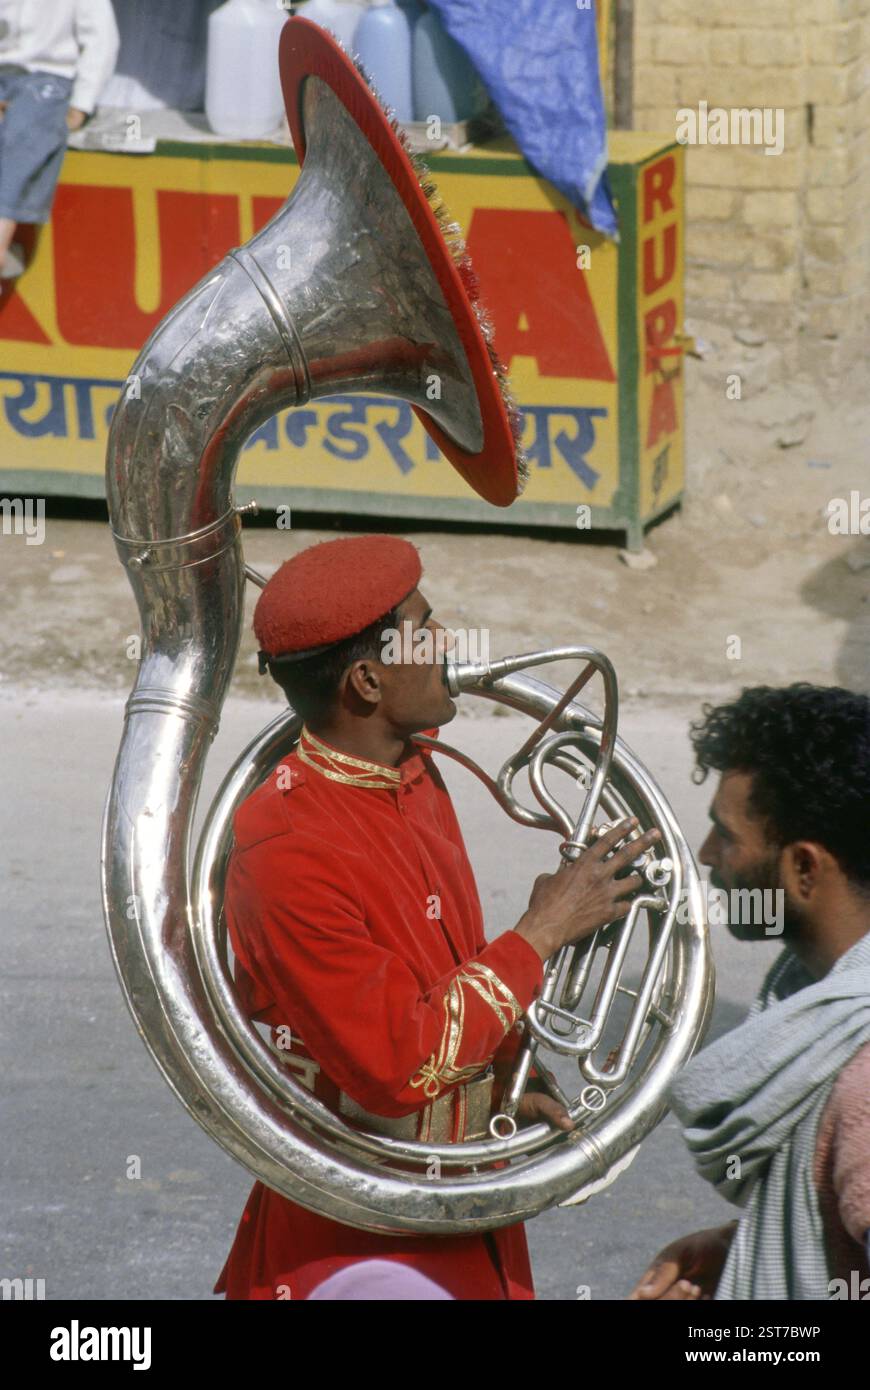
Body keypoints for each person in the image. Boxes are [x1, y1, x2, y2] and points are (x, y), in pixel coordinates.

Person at [214, 533, 659, 1300]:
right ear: (366, 680)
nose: (449, 642)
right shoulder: (284, 849)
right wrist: (543, 933)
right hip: (361, 1248)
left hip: (453, 1210)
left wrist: (503, 1082)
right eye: (425, 629)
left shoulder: (413, 769)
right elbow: (396, 1063)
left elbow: (433, 977)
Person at [629, 684, 870, 1301]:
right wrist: (745, 1249)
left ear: (805, 868)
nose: (708, 855)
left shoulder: (862, 1080)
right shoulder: (818, 1013)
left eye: (727, 836)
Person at [0, 0, 119, 277]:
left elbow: (103, 40)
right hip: (6, 76)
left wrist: (81, 103)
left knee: (27, 139)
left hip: (49, 78)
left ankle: (3, 237)